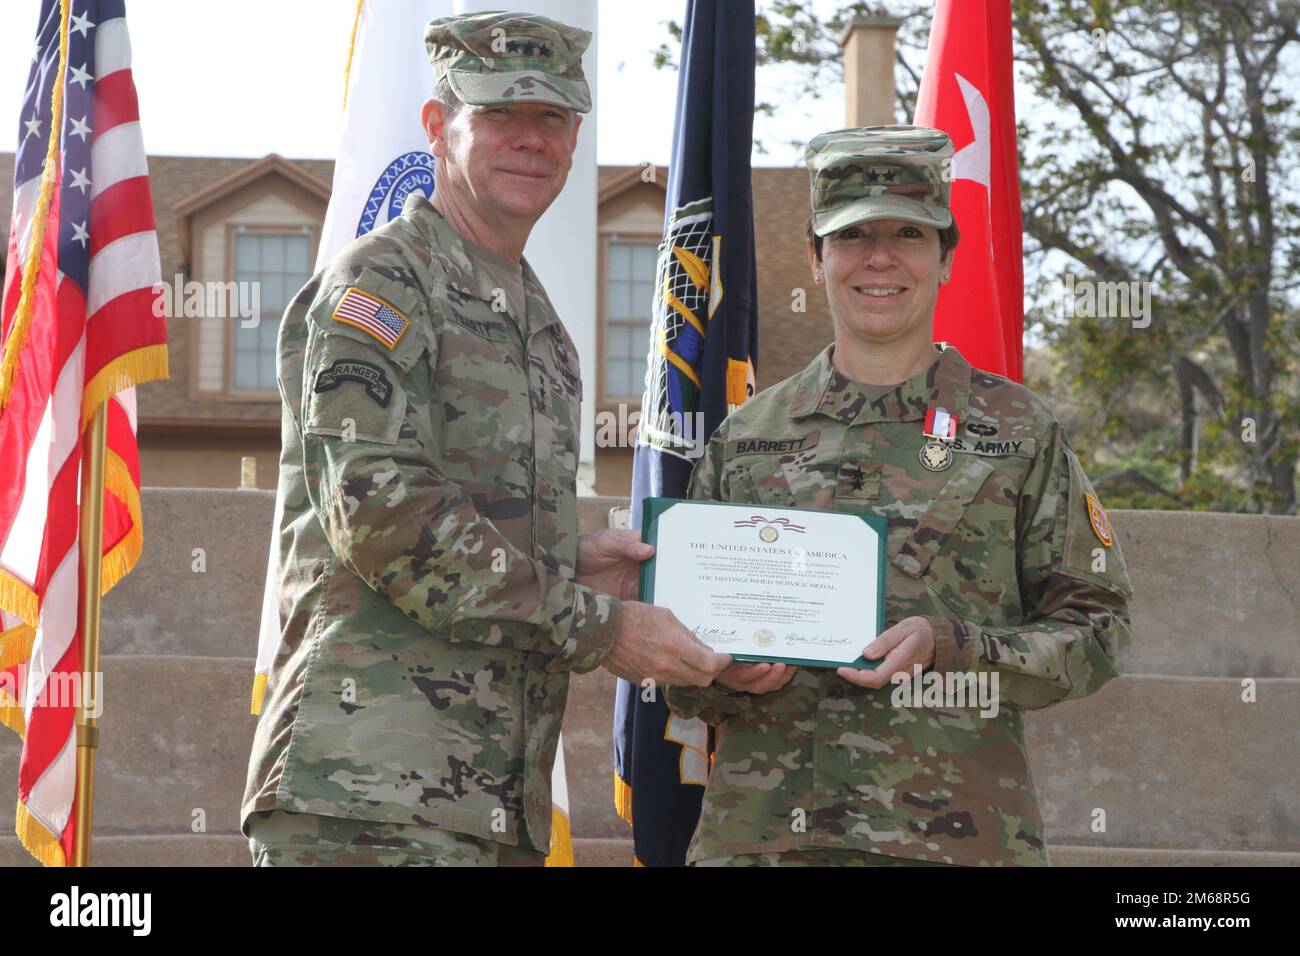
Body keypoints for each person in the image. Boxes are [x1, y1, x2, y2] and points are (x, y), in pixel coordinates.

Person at [241, 10, 727, 867]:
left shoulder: (540, 323)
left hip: (494, 806)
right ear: (439, 124)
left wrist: (573, 550)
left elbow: (476, 517)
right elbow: (386, 517)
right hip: (363, 796)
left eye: (552, 118)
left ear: (576, 136)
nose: (529, 139)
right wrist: (601, 626)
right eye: (500, 113)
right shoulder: (383, 282)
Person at [664, 125, 1133, 867]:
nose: (879, 259)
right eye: (852, 236)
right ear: (814, 260)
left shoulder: (1018, 432)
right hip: (762, 840)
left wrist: (954, 648)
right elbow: (681, 661)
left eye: (908, 233)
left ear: (945, 258)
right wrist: (718, 672)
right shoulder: (745, 437)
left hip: (955, 841)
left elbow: (1098, 633)